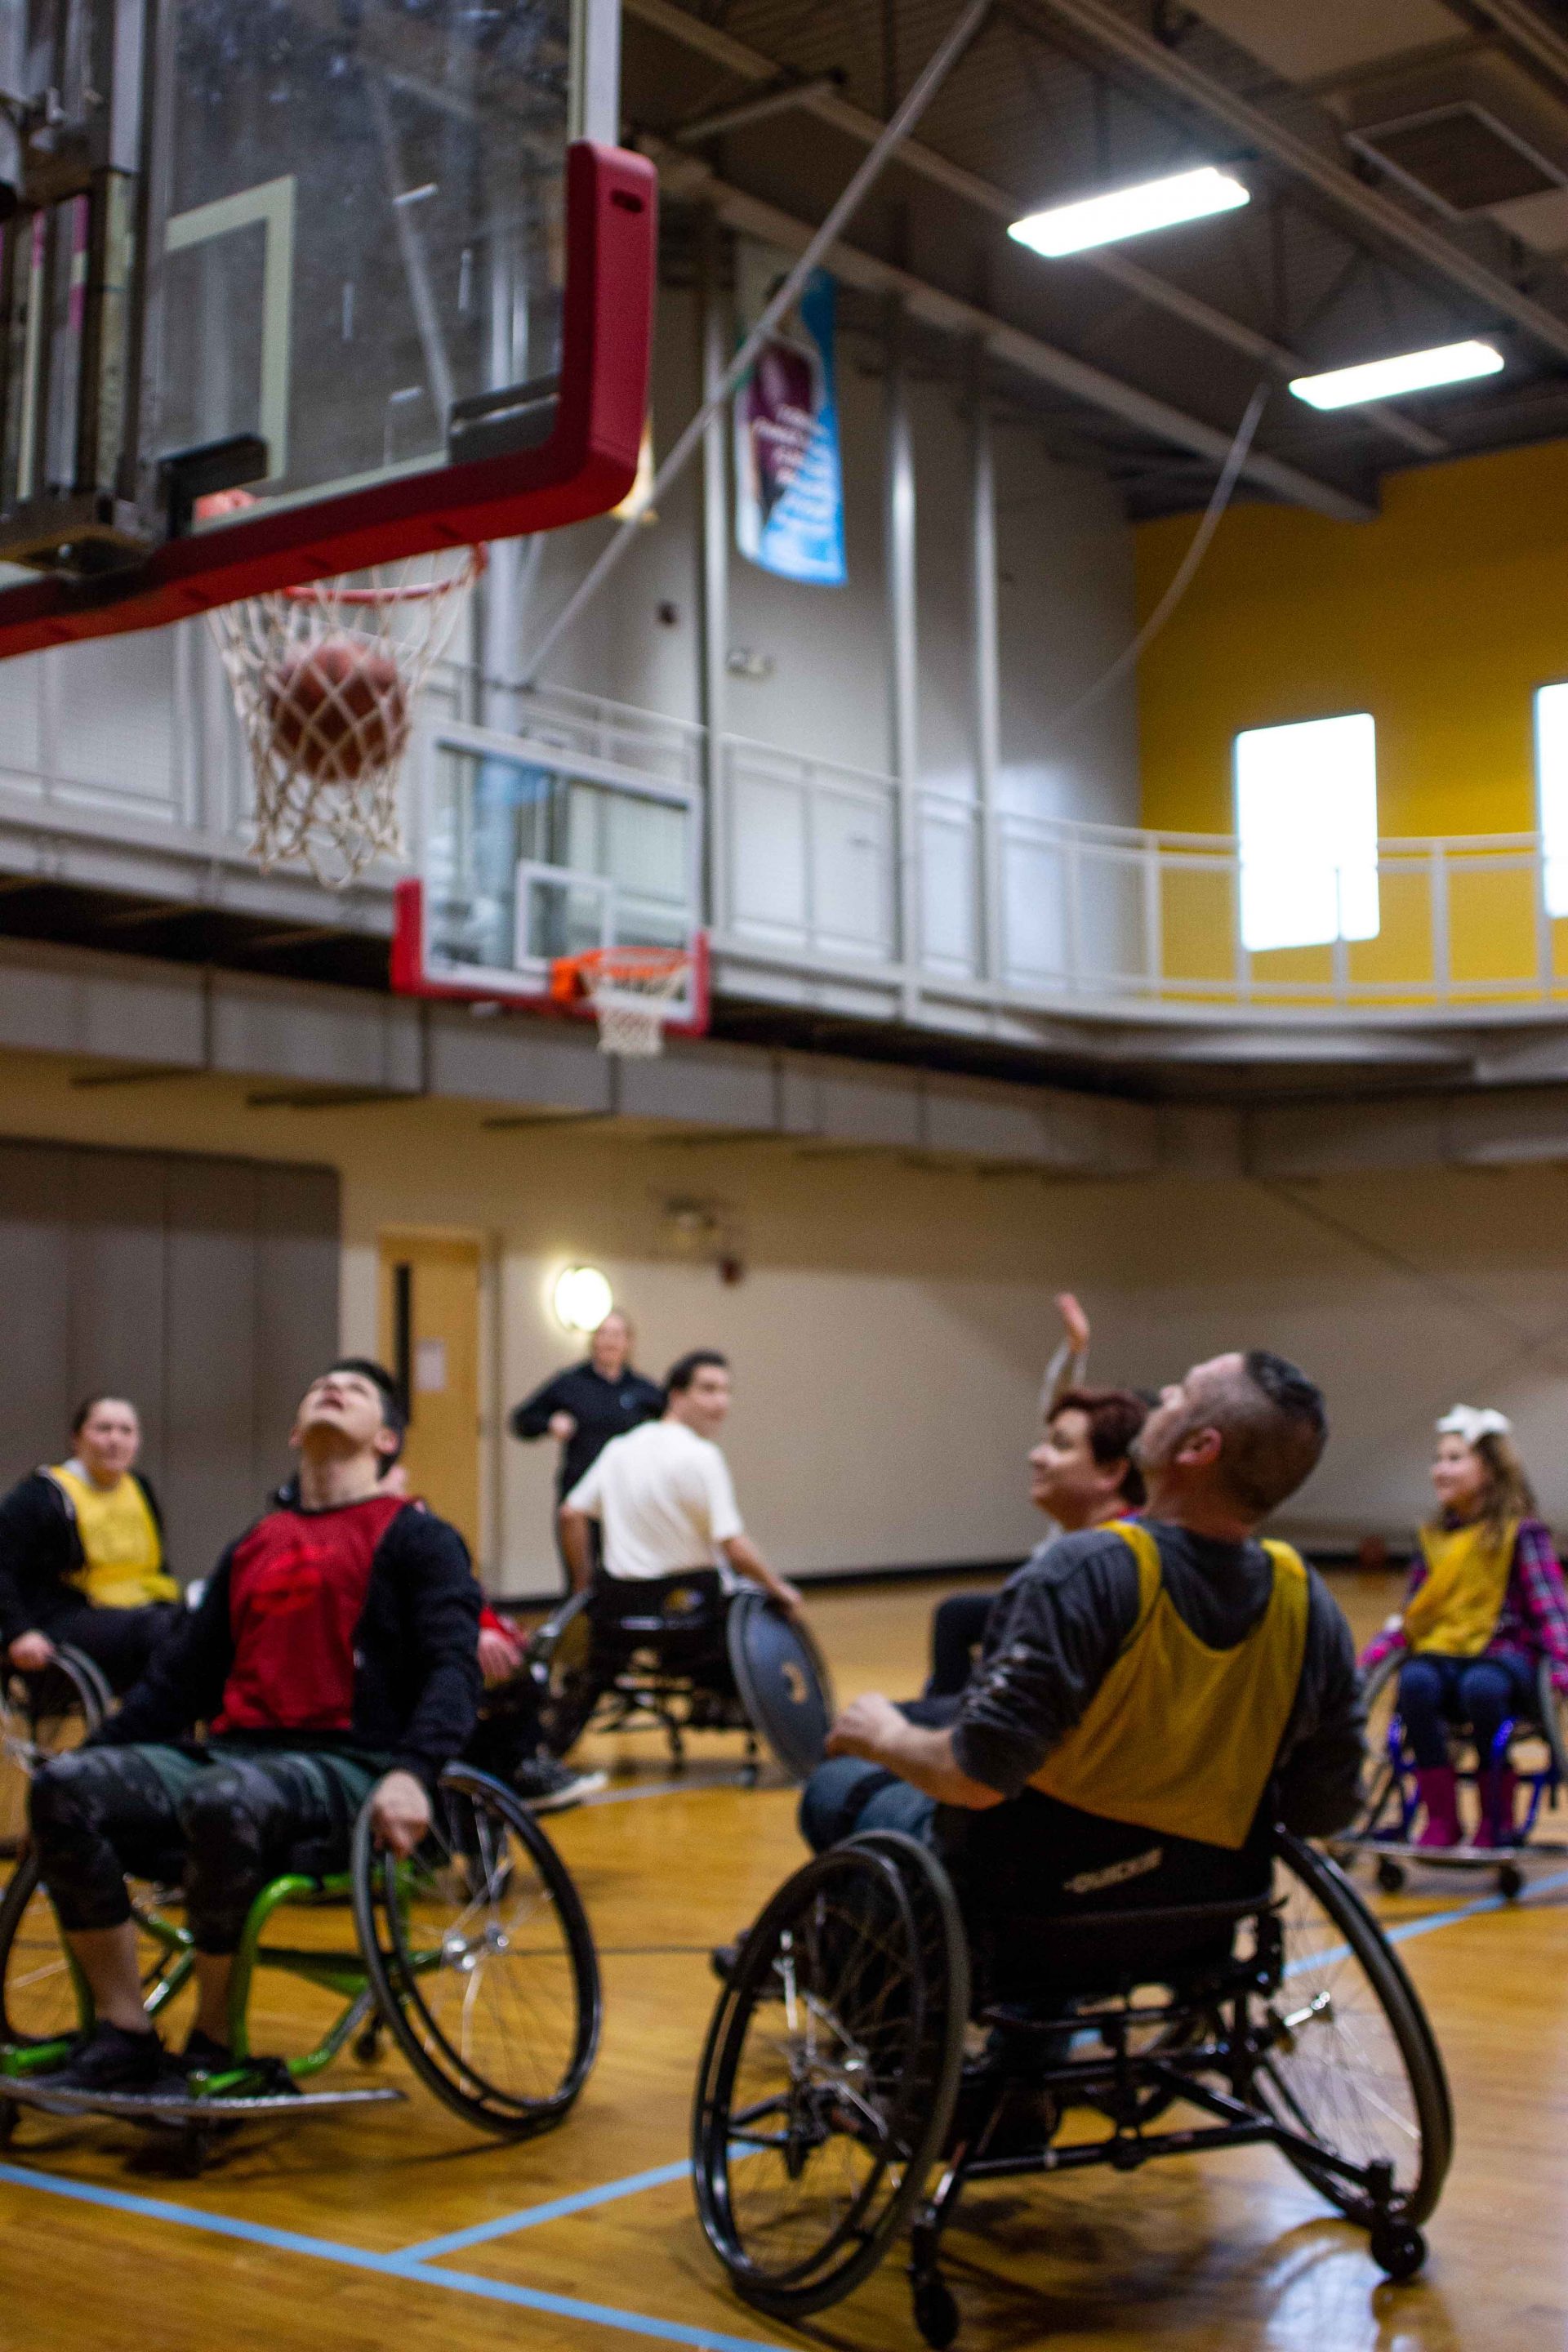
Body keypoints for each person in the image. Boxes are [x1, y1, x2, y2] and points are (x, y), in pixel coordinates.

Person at [800, 1350, 1363, 1988]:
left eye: (1178, 1395)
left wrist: (886, 1736)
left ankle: (886, 2022)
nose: (1161, 1400)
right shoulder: (1308, 1601)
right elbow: (1325, 1805)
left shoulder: (1084, 1572)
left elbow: (976, 1778)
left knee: (834, 1788)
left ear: (1200, 1446)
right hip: (1203, 1914)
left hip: (1039, 1911)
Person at [25, 1358, 482, 2096]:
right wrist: (86, 1763)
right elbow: (179, 1683)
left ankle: (214, 2041)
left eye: (357, 1391)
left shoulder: (418, 1539)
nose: (334, 1389)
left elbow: (453, 1670)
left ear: (388, 1439)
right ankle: (123, 2030)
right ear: (296, 1430)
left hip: (351, 1768)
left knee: (225, 1796)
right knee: (67, 1787)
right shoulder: (255, 1545)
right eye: (321, 1387)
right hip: (241, 1759)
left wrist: (414, 1772)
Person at [1360, 1404, 1568, 1850]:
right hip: (1443, 1652)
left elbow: (1551, 1611)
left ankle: (1496, 1820)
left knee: (1483, 1689)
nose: (1441, 1469)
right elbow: (1415, 1615)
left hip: (1504, 1658)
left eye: (1455, 1459)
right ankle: (1442, 1819)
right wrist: (1371, 1660)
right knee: (1414, 1683)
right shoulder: (1434, 1539)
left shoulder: (1522, 1534)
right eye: (1438, 1459)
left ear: (1490, 1469)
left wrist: (1563, 1669)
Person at [924, 1375, 1147, 1704]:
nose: (1036, 1457)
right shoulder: (1100, 1538)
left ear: (1112, 1472)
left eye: (1060, 1445)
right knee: (957, 1615)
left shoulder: (1100, 1561)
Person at [0, 1396, 182, 1695]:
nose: (115, 1440)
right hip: (66, 1617)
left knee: (200, 1626)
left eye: (126, 1431)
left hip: (139, 1609)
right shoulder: (42, 1495)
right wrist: (18, 1631)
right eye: (103, 1429)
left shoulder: (139, 1488)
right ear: (77, 1438)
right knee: (162, 1633)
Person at [510, 1311, 664, 1583]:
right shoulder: (571, 1383)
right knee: (580, 1578)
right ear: (593, 1341)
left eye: (617, 1335)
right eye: (603, 1334)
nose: (610, 1342)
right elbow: (520, 1421)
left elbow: (671, 1428)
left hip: (627, 1497)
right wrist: (550, 1423)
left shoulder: (643, 1390)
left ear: (628, 1342)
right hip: (580, 1495)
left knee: (626, 1574)